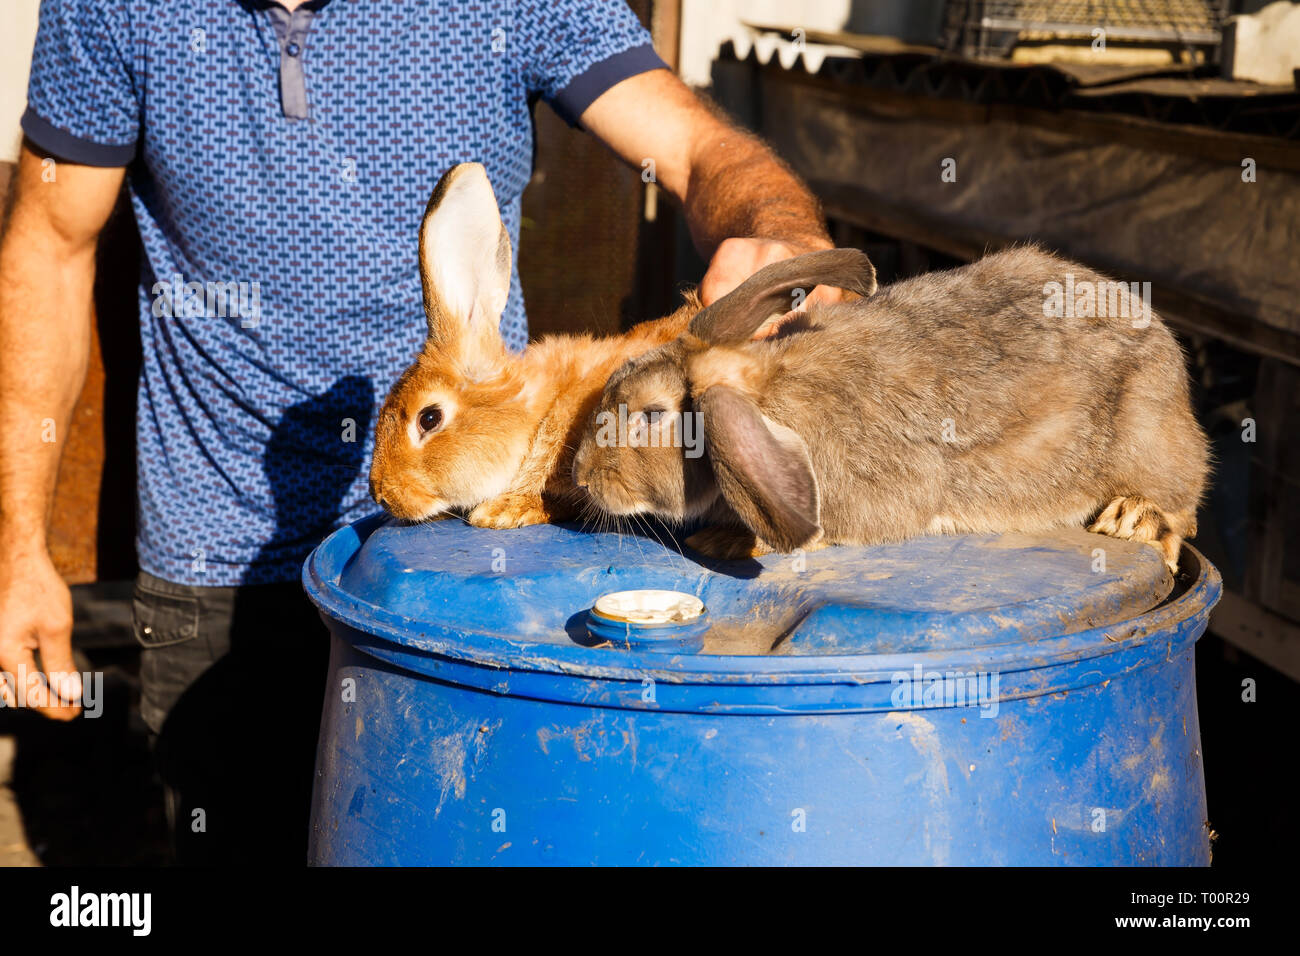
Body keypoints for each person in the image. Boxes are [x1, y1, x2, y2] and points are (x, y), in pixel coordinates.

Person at [0, 0, 836, 864]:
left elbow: (699, 151)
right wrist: (19, 547)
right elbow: (51, 244)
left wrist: (775, 229)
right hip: (218, 566)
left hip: (470, 567)